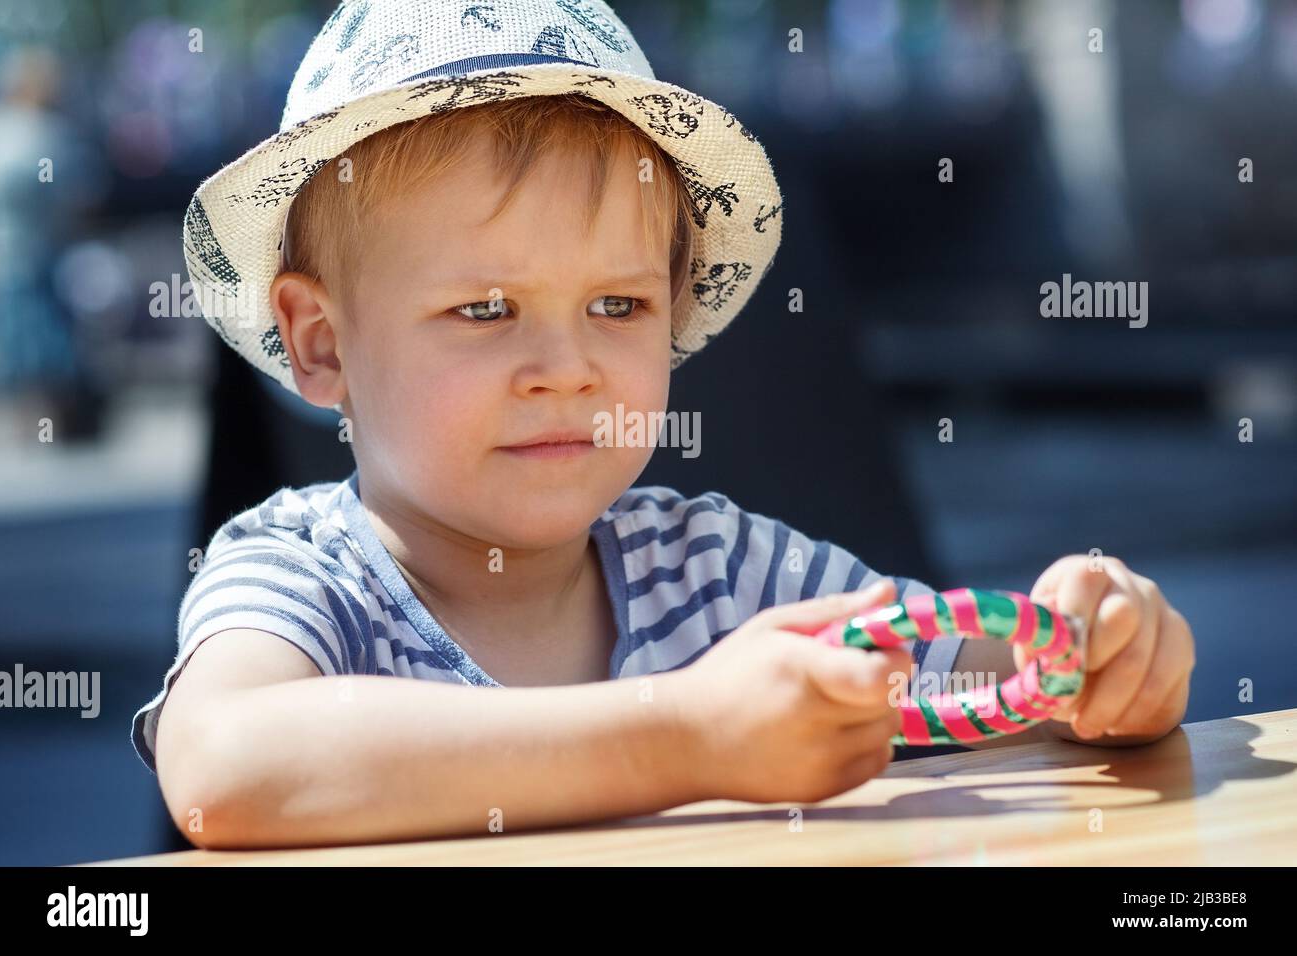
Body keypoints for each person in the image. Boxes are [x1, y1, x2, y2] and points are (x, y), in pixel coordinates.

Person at [132, 0, 1195, 849]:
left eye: (617, 305)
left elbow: (974, 679)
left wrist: (1099, 660)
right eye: (484, 310)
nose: (566, 368)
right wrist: (690, 733)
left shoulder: (719, 571)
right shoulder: (301, 576)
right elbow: (227, 769)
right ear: (320, 343)